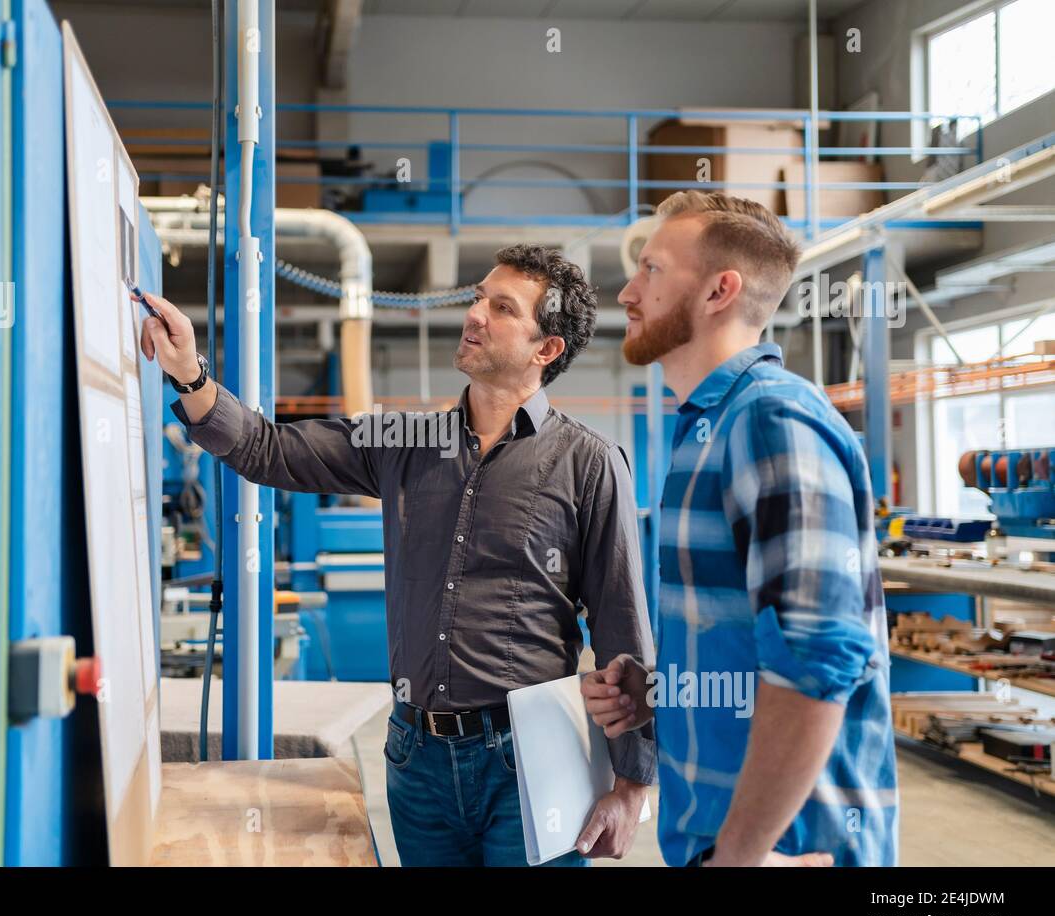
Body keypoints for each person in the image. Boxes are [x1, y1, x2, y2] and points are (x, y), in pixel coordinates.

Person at [139, 244, 654, 866]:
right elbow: (267, 450)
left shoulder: (589, 464)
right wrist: (190, 373)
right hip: (418, 757)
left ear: (545, 349)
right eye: (476, 298)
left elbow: (623, 626)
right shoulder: (404, 442)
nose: (475, 315)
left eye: (501, 307)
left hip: (532, 755)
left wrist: (633, 783)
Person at [582, 191, 898, 867]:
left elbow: (817, 656)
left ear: (720, 290)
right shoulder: (705, 430)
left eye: (652, 270)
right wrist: (664, 690)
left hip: (787, 850)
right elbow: (753, 639)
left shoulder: (770, 420)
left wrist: (740, 856)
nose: (629, 292)